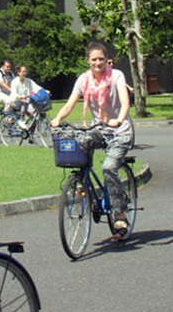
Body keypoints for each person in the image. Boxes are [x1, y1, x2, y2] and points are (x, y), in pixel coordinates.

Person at [51, 42, 133, 237]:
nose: (98, 63)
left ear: (107, 60)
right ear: (88, 61)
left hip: (119, 131)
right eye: (94, 59)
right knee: (79, 142)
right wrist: (57, 119)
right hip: (99, 128)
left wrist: (119, 119)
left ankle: (120, 212)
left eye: (101, 59)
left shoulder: (117, 76)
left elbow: (125, 101)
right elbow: (70, 103)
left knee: (109, 167)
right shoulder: (83, 80)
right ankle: (82, 182)